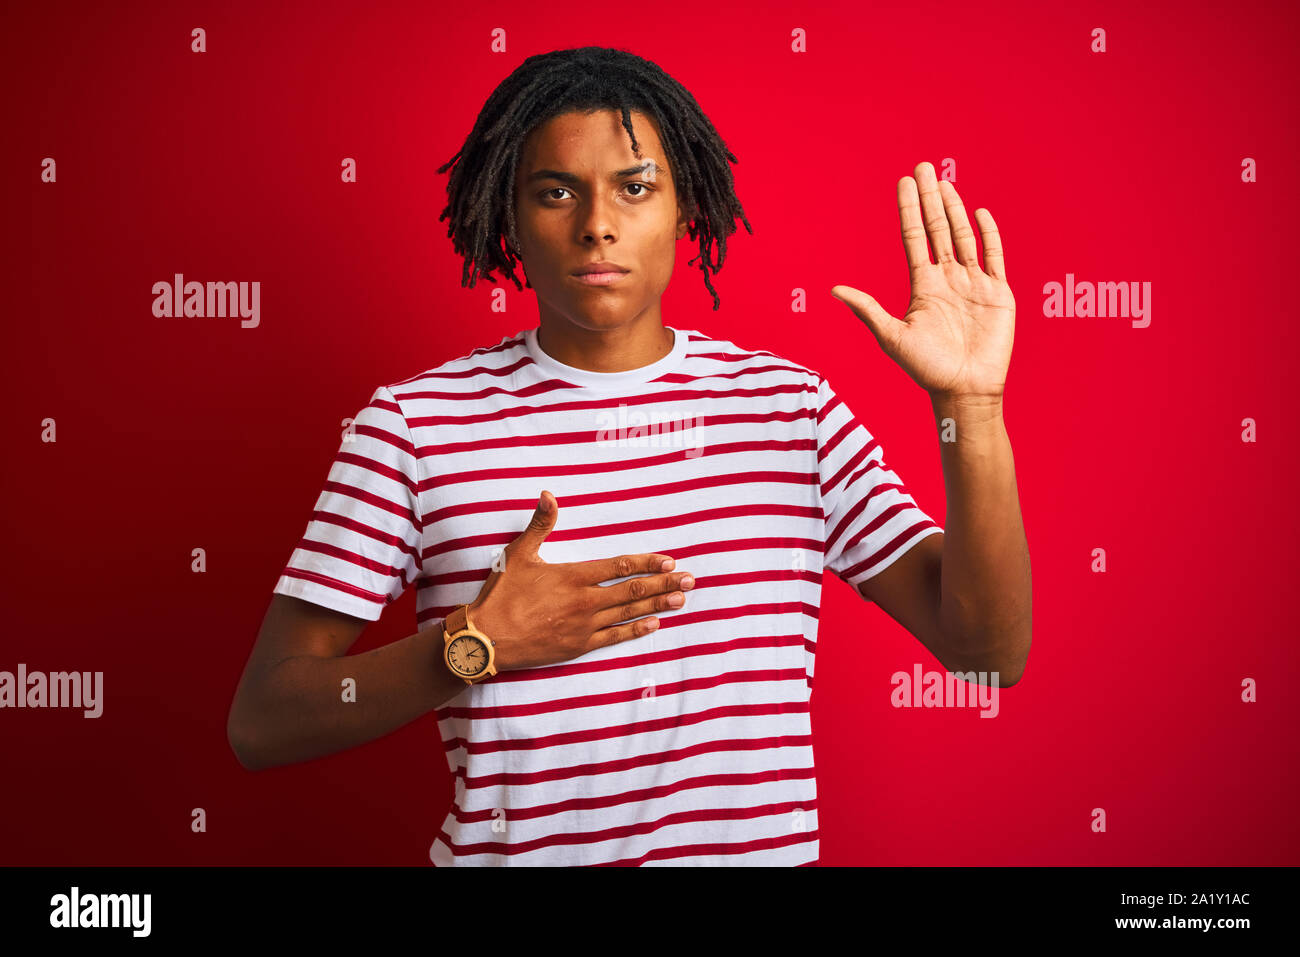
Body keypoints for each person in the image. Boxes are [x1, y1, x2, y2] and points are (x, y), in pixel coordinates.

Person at [227, 46, 1031, 866]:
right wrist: (474, 643)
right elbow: (263, 720)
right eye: (555, 191)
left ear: (685, 210)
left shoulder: (791, 410)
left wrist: (973, 407)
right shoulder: (411, 426)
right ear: (508, 216)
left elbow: (987, 654)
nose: (597, 223)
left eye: (635, 187)